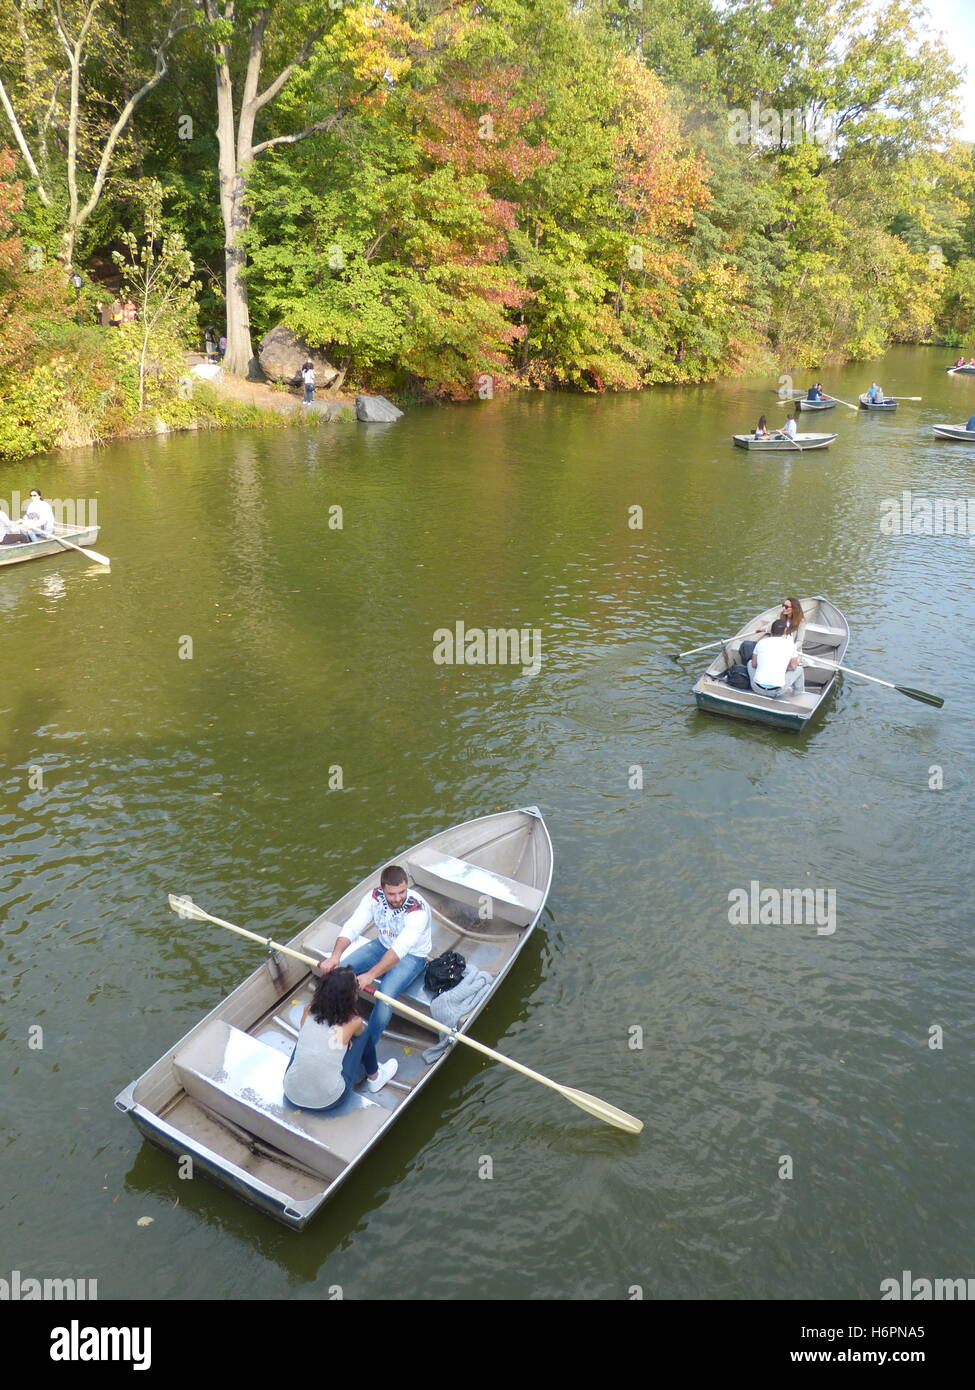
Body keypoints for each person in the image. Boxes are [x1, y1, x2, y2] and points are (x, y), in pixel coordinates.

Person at [317, 864, 434, 1090]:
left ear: (406, 887)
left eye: (402, 892)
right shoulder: (373, 898)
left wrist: (370, 976)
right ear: (382, 890)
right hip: (382, 945)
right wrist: (334, 957)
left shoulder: (417, 911)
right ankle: (333, 1026)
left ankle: (364, 1056)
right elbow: (353, 926)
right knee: (340, 973)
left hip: (411, 955)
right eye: (392, 894)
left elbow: (399, 951)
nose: (398, 898)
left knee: (385, 996)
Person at [283, 967, 382, 1110]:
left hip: (291, 1092)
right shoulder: (354, 1022)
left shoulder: (308, 1009)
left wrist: (342, 1039)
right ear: (350, 997)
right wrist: (346, 1039)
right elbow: (357, 1034)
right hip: (329, 1100)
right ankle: (375, 1076)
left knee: (305, 1037)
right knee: (364, 1034)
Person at [749, 618, 805, 698]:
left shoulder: (760, 642)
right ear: (785, 631)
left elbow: (754, 664)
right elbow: (793, 667)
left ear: (771, 630)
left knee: (749, 663)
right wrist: (784, 667)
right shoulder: (791, 645)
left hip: (757, 688)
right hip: (776, 691)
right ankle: (798, 695)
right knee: (799, 669)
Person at [740, 597, 806, 665]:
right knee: (746, 645)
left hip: (790, 650)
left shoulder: (801, 622)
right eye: (783, 605)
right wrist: (763, 629)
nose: (783, 608)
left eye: (786, 607)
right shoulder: (781, 615)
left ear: (794, 609)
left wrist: (790, 649)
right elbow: (772, 627)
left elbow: (800, 641)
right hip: (775, 645)